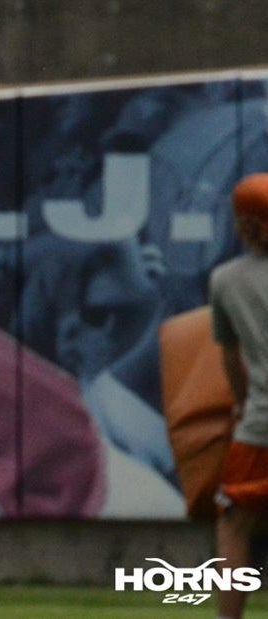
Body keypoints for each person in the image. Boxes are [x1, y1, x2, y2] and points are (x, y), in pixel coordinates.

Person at [210, 173, 268, 619]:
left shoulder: (226, 280)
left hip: (259, 426)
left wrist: (243, 403)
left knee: (234, 524)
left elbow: (232, 362)